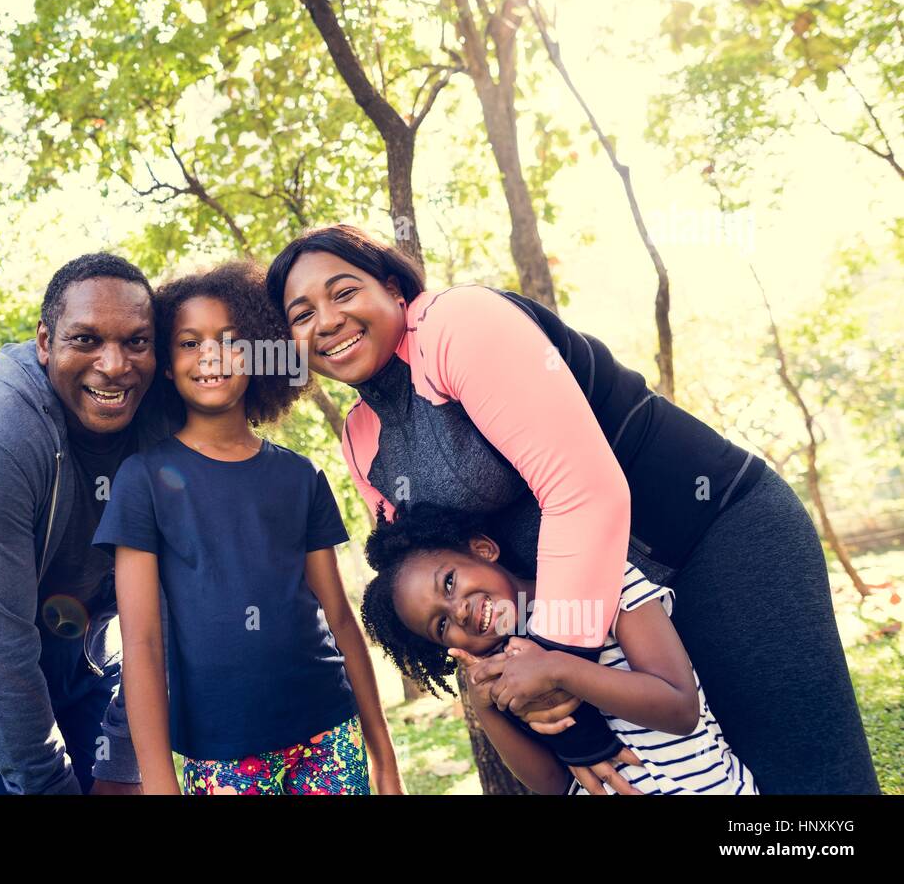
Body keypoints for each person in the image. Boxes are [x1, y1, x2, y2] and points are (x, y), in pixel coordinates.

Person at [266, 224, 879, 794]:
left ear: (394, 289)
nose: (327, 320)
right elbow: (427, 573)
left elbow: (583, 491)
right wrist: (551, 714)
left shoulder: (460, 322)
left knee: (811, 790)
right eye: (301, 315)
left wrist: (557, 674)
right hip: (602, 616)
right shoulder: (361, 438)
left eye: (344, 291)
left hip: (713, 539)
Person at [93, 262, 402, 794]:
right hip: (218, 757)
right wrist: (161, 784)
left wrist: (385, 760)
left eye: (229, 341)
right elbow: (140, 644)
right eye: (189, 343)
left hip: (328, 732)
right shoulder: (141, 480)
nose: (209, 356)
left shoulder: (299, 475)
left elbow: (341, 622)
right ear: (167, 364)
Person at [0, 253, 170, 794]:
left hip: (87, 652)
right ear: (46, 342)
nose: (115, 365)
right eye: (86, 340)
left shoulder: (168, 422)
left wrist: (123, 764)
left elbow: (168, 610)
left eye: (136, 342)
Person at [361, 502, 759, 794]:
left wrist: (556, 669)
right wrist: (487, 708)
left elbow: (680, 709)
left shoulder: (602, 584)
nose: (459, 610)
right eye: (441, 625)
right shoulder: (504, 672)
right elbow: (553, 785)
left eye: (449, 583)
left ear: (483, 549)